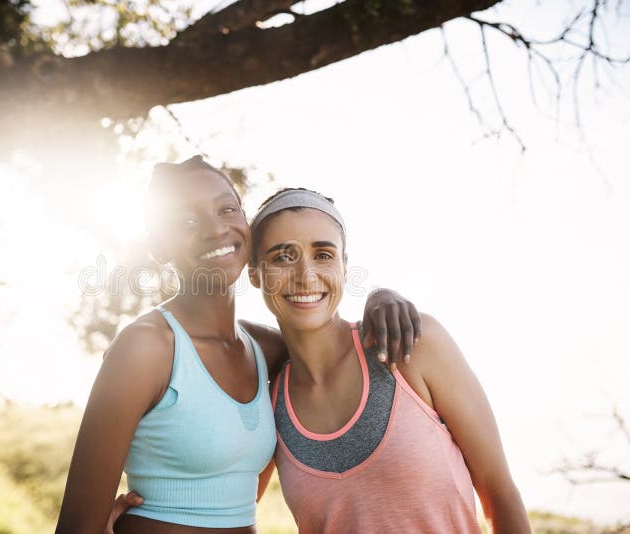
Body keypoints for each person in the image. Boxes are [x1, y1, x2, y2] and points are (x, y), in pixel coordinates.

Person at [55, 157, 422, 534]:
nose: (215, 229)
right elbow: (76, 526)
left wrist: (380, 295)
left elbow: (334, 341)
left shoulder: (267, 349)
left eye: (226, 209)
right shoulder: (146, 349)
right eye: (187, 221)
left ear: (245, 225)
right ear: (158, 249)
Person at [247, 188, 530, 533]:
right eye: (282, 257)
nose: (306, 275)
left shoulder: (414, 346)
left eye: (323, 254)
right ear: (255, 274)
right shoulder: (268, 408)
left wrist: (382, 292)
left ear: (344, 267)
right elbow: (232, 514)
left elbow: (499, 493)